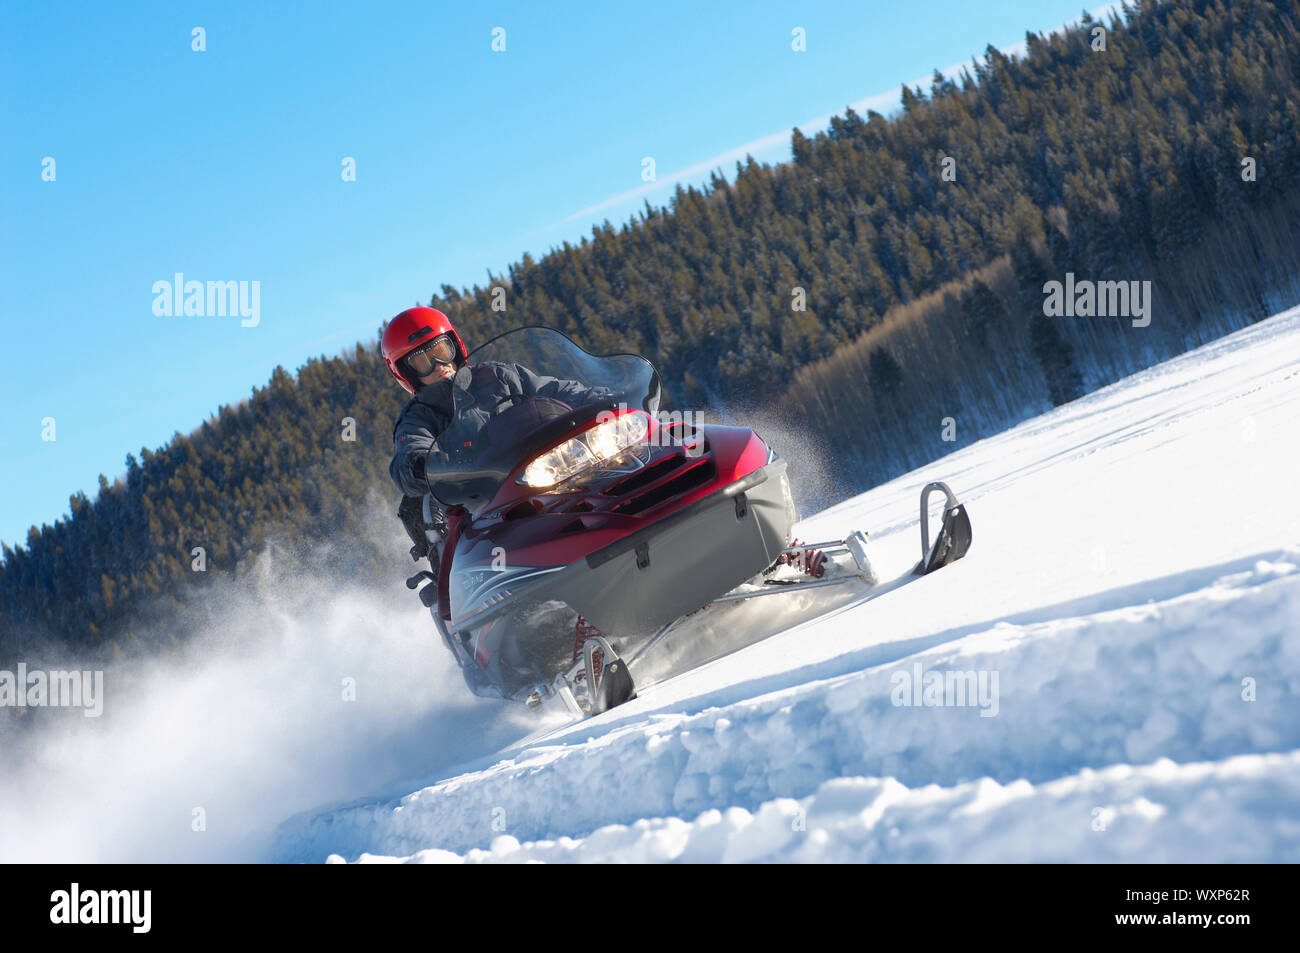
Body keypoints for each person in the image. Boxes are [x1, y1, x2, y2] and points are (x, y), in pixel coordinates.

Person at [380, 306, 609, 569]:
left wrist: (603, 399)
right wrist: (420, 464)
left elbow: (555, 390)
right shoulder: (418, 417)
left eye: (441, 352)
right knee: (467, 538)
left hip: (549, 469)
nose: (438, 366)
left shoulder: (499, 375)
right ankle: (471, 597)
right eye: (423, 361)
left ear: (455, 346)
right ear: (406, 373)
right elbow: (407, 454)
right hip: (484, 504)